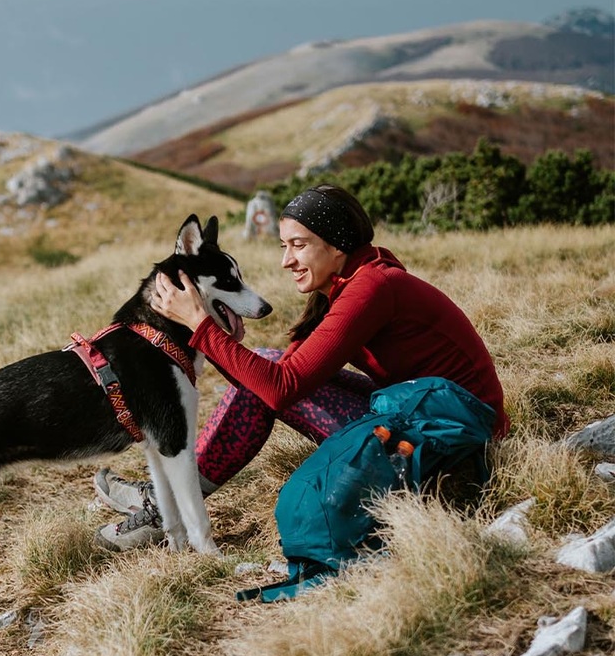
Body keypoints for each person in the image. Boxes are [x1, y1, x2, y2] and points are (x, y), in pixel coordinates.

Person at [95, 184, 506, 550]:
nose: (286, 261)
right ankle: (170, 499)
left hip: (453, 444)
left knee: (270, 372)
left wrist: (200, 325)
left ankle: (165, 505)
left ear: (336, 244)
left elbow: (280, 388)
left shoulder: (372, 288)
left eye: (299, 245)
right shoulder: (351, 282)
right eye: (283, 246)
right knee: (267, 366)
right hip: (426, 418)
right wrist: (218, 338)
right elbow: (275, 379)